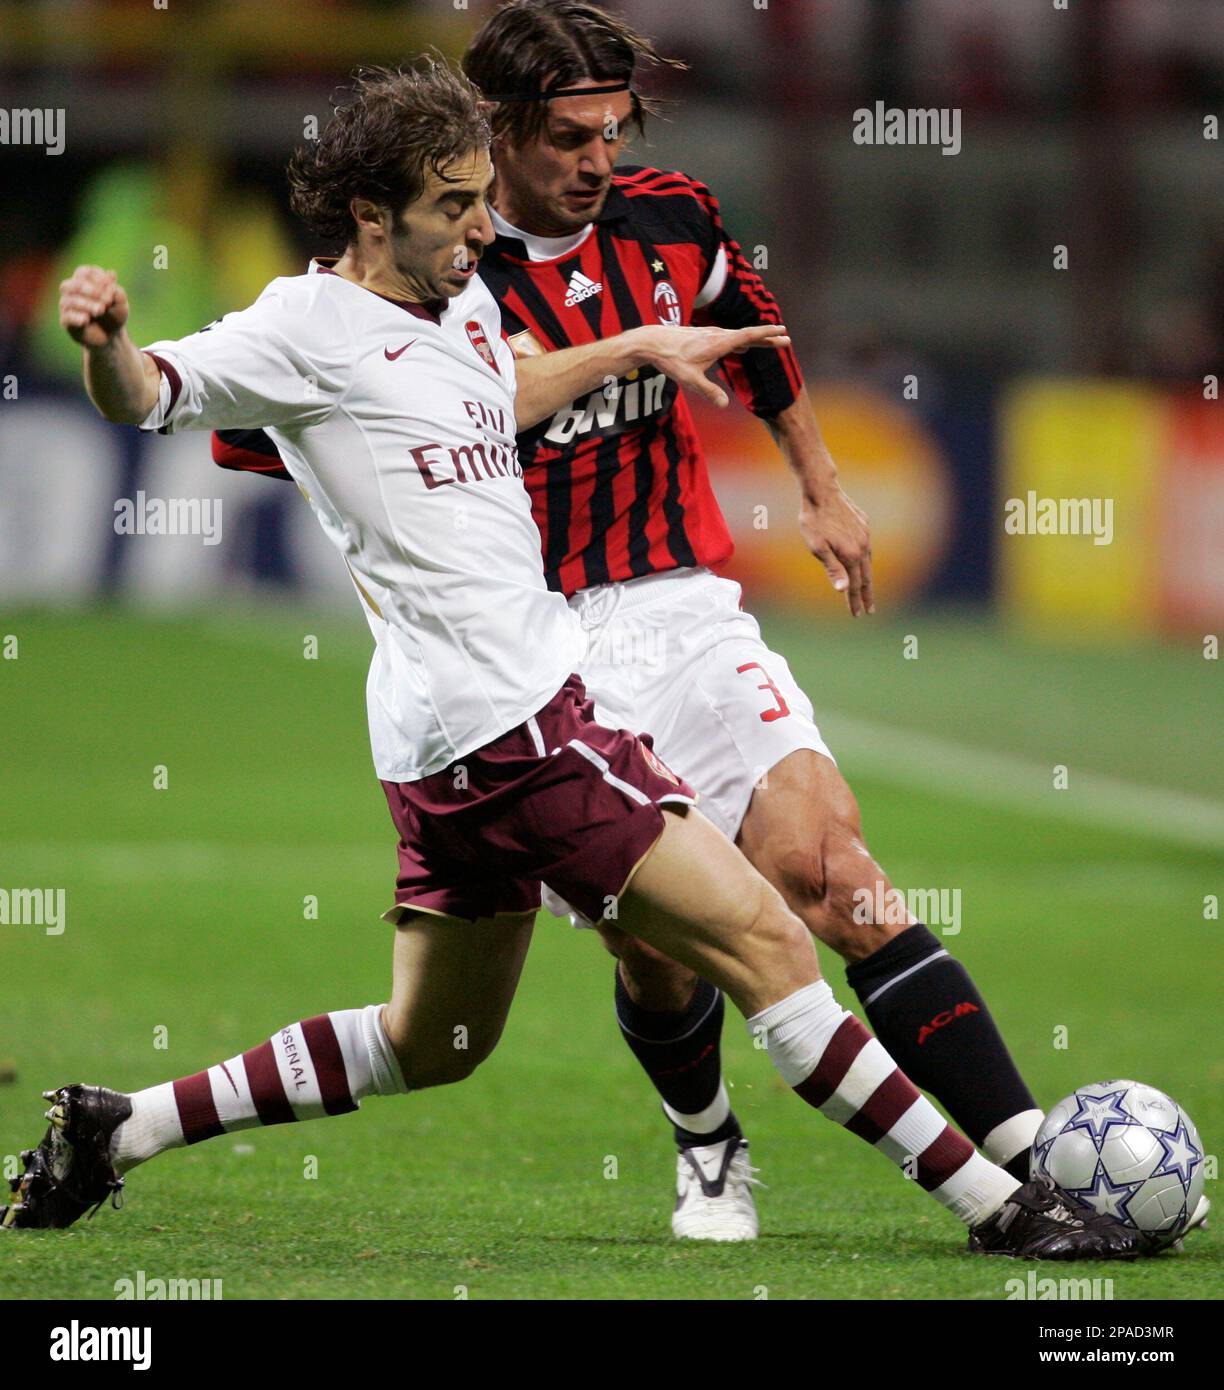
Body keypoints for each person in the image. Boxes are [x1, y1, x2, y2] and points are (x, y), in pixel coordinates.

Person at [3, 57, 1138, 1263]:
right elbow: (153, 395)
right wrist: (109, 341)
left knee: (430, 1042)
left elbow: (500, 386)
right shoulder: (302, 328)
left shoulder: (460, 300)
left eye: (483, 196)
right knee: (768, 943)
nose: (483, 228)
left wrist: (631, 344)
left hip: (433, 750)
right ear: (373, 217)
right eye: (455, 207)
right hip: (520, 728)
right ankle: (1006, 1208)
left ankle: (116, 1128)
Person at [214, 0, 1047, 1244]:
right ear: (494, 134)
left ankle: (1042, 1163)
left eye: (615, 128)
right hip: (535, 650)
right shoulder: (427, 280)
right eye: (567, 136)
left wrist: (819, 482)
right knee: (661, 952)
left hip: (679, 595)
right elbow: (273, 429)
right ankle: (708, 1144)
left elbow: (755, 339)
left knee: (836, 871)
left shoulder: (671, 215)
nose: (598, 160)